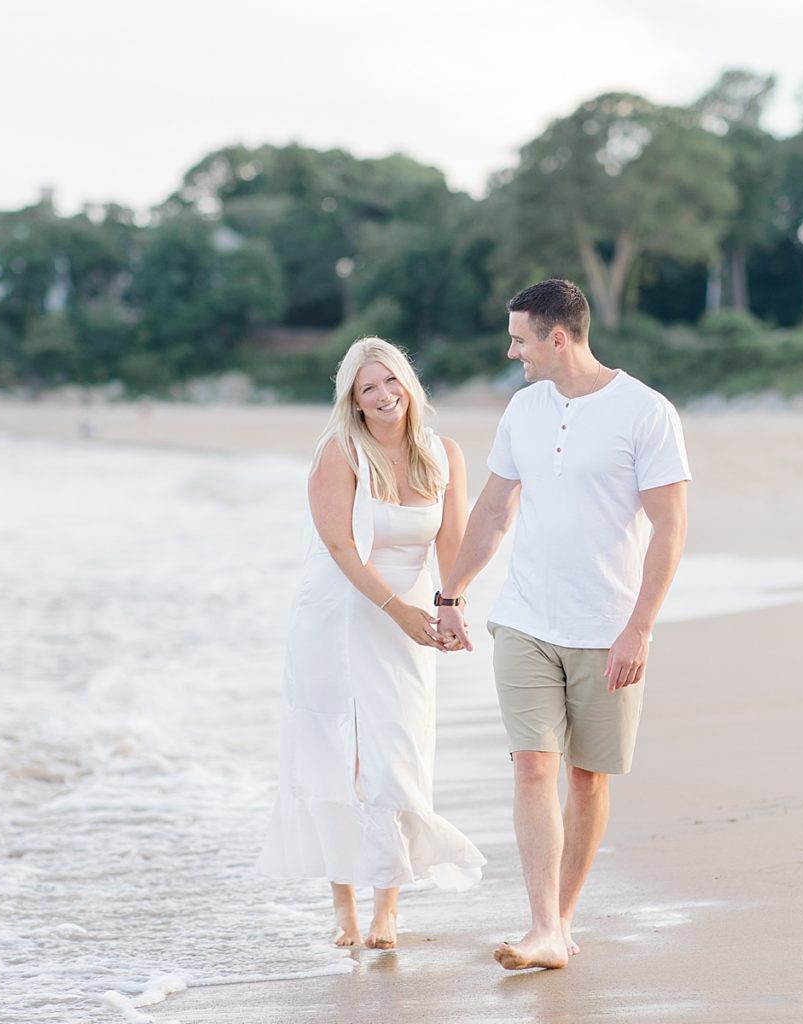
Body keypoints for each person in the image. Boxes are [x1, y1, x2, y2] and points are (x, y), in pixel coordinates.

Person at [435, 280, 690, 970]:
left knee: (586, 779)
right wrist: (451, 592)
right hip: (523, 619)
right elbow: (492, 513)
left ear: (557, 337)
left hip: (608, 626)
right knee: (531, 766)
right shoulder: (523, 410)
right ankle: (542, 925)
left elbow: (670, 529)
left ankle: (562, 922)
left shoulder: (646, 412)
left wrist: (640, 627)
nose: (510, 349)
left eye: (519, 337)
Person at [258, 337, 484, 950]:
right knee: (341, 753)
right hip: (339, 615)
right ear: (353, 403)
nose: (384, 396)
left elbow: (451, 541)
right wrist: (398, 611)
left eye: (391, 382)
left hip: (409, 615)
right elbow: (340, 548)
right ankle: (344, 904)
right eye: (368, 389)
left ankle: (389, 903)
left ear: (409, 384)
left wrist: (451, 603)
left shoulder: (444, 454)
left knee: (399, 749)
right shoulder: (339, 452)